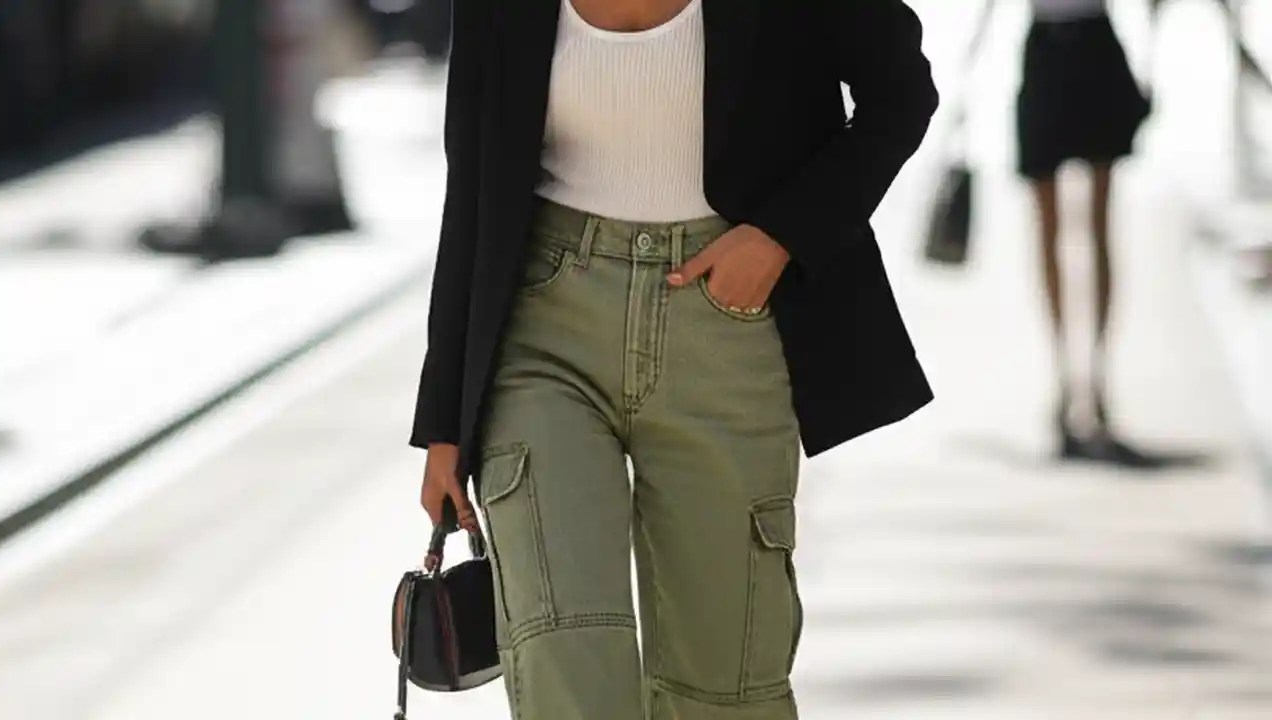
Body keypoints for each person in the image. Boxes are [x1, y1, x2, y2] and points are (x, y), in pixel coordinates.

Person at [411, 1, 937, 717]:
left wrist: (781, 236)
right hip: (545, 326)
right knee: (565, 656)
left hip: (729, 324)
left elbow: (901, 96)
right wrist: (445, 418)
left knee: (724, 687)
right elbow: (470, 171)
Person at [1015, 0, 1153, 464]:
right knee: (1050, 228)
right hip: (1046, 48)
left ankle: (1095, 378)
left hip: (1094, 46)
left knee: (1097, 227)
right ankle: (1064, 378)